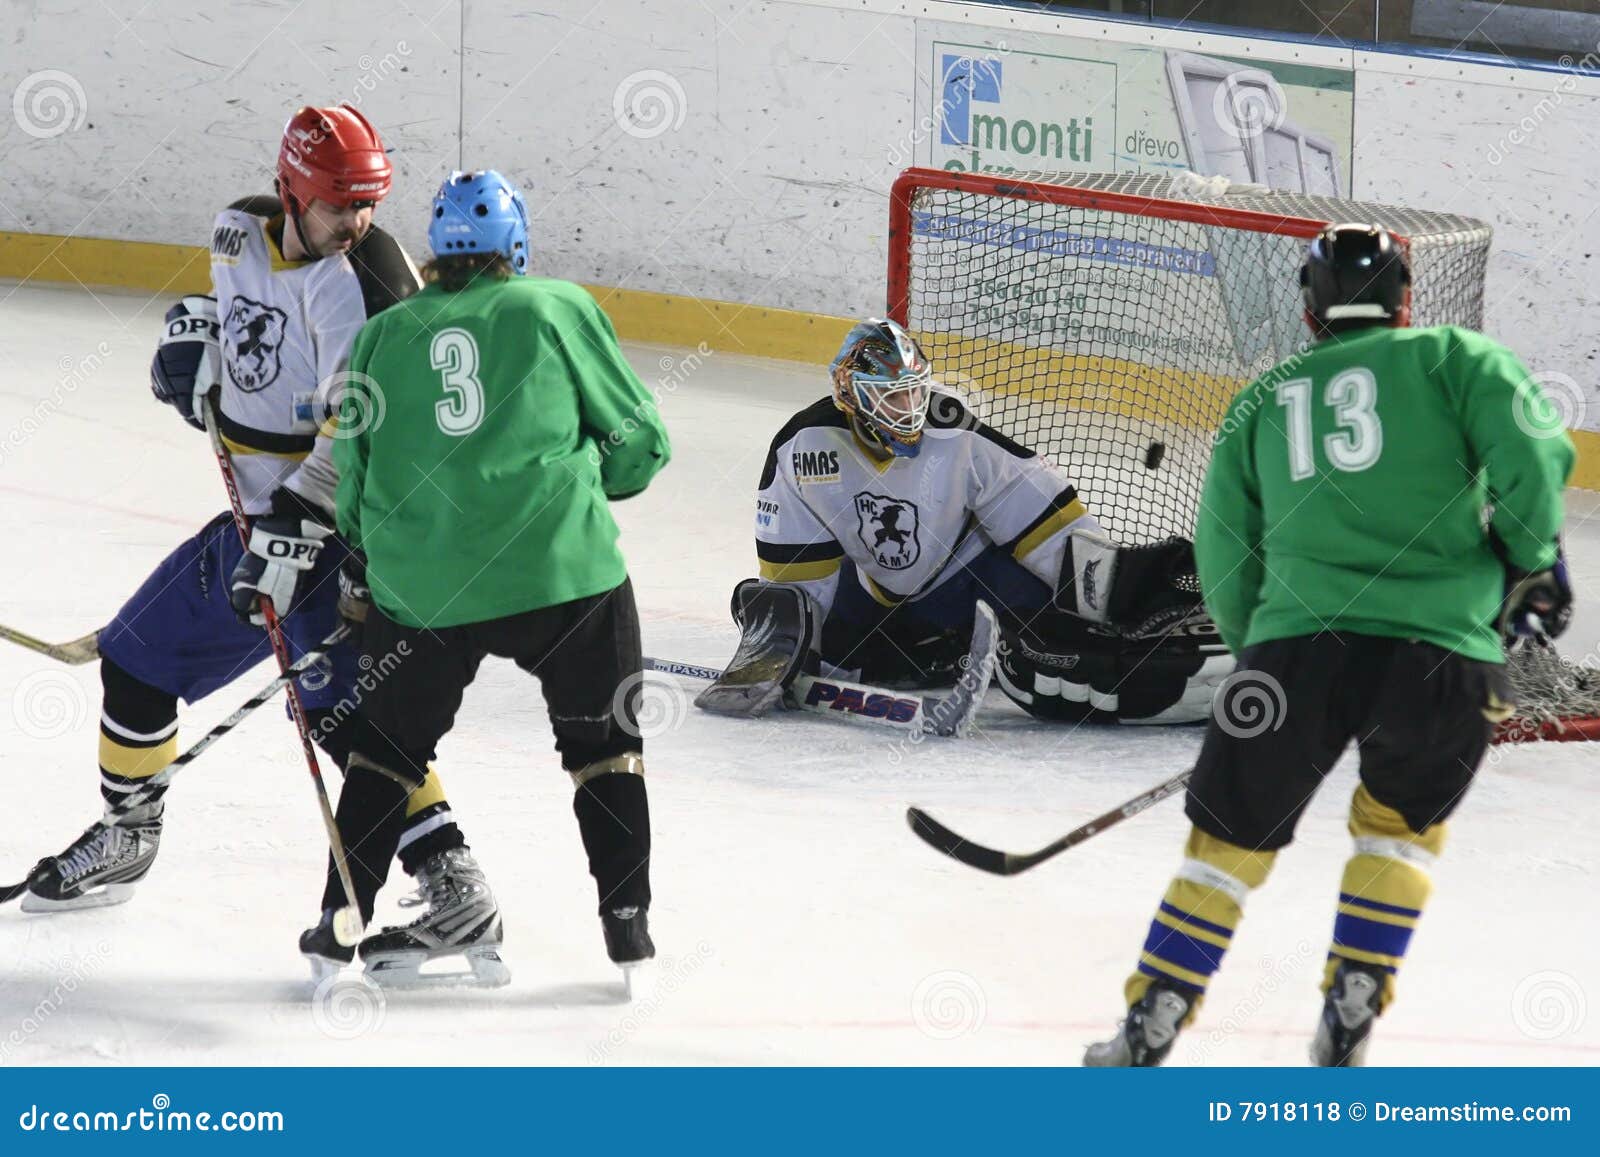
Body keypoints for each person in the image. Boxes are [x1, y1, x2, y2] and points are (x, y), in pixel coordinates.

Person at [1084, 223, 1575, 1067]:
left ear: (1310, 311)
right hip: (1443, 656)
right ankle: (1356, 989)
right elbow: (1535, 454)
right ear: (1406, 300)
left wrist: (1260, 652)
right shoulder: (1460, 359)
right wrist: (1525, 560)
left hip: (1297, 651)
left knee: (1229, 844)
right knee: (1398, 832)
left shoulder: (1263, 399)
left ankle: (1157, 1009)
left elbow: (1225, 552)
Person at [16, 105, 488, 978]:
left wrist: (310, 521)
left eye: (368, 203)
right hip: (259, 525)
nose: (359, 222)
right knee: (139, 656)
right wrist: (191, 333)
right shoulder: (238, 230)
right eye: (341, 204)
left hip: (351, 536)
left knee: (349, 715)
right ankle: (129, 833)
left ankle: (454, 884)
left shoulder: (368, 279)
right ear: (293, 194)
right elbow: (237, 309)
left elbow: (384, 429)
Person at [314, 170, 669, 989]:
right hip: (563, 574)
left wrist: (379, 564)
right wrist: (586, 490)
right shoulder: (554, 307)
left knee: (383, 757)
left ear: (437, 251)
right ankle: (628, 932)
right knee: (605, 752)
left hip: (424, 591)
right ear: (517, 244)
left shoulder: (382, 336)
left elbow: (354, 489)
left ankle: (335, 931)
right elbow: (640, 442)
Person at [709, 317, 1229, 724]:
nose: (907, 408)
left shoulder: (956, 435)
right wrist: (788, 648)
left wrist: (1106, 593)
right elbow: (800, 579)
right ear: (850, 393)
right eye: (890, 396)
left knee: (1063, 648)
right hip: (881, 595)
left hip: (974, 578)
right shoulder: (803, 448)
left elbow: (1043, 525)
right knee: (826, 643)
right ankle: (944, 651)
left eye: (914, 391)